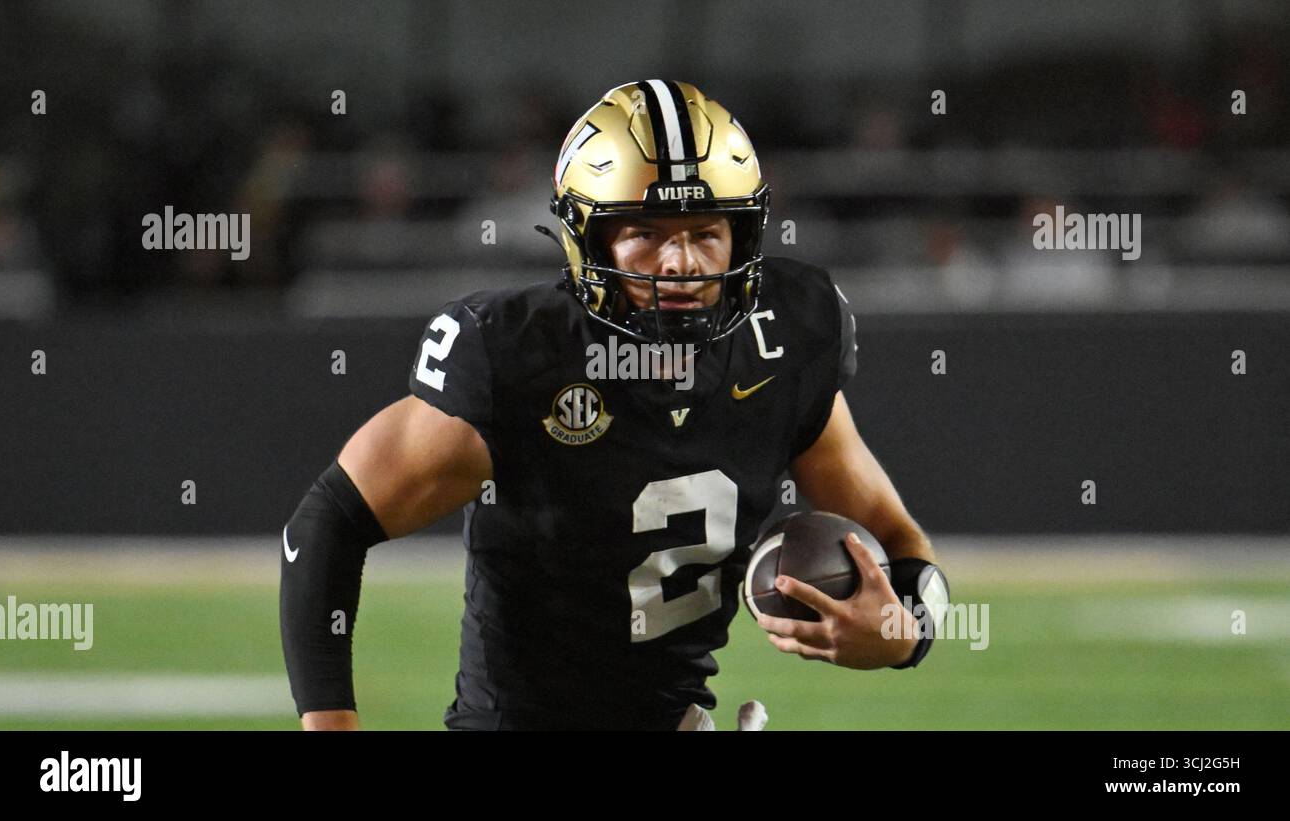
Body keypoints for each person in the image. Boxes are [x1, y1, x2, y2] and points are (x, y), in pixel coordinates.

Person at [281, 80, 944, 731]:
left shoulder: (785, 338)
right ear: (587, 241)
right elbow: (328, 523)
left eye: (707, 231)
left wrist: (901, 633)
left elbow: (897, 537)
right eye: (647, 233)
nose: (682, 261)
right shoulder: (518, 357)